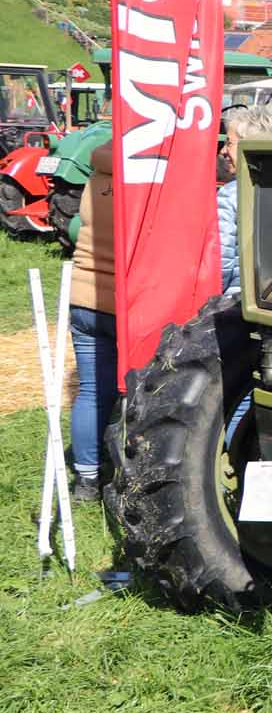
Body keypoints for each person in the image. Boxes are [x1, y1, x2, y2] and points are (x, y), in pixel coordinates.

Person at [67, 146, 116, 502]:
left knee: (90, 390)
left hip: (83, 295)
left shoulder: (95, 176)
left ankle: (86, 479)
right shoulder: (145, 178)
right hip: (122, 304)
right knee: (133, 390)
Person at [218, 105, 272, 296]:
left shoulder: (230, 196)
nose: (223, 151)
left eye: (229, 143)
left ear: (250, 146)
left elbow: (220, 265)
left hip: (236, 302)